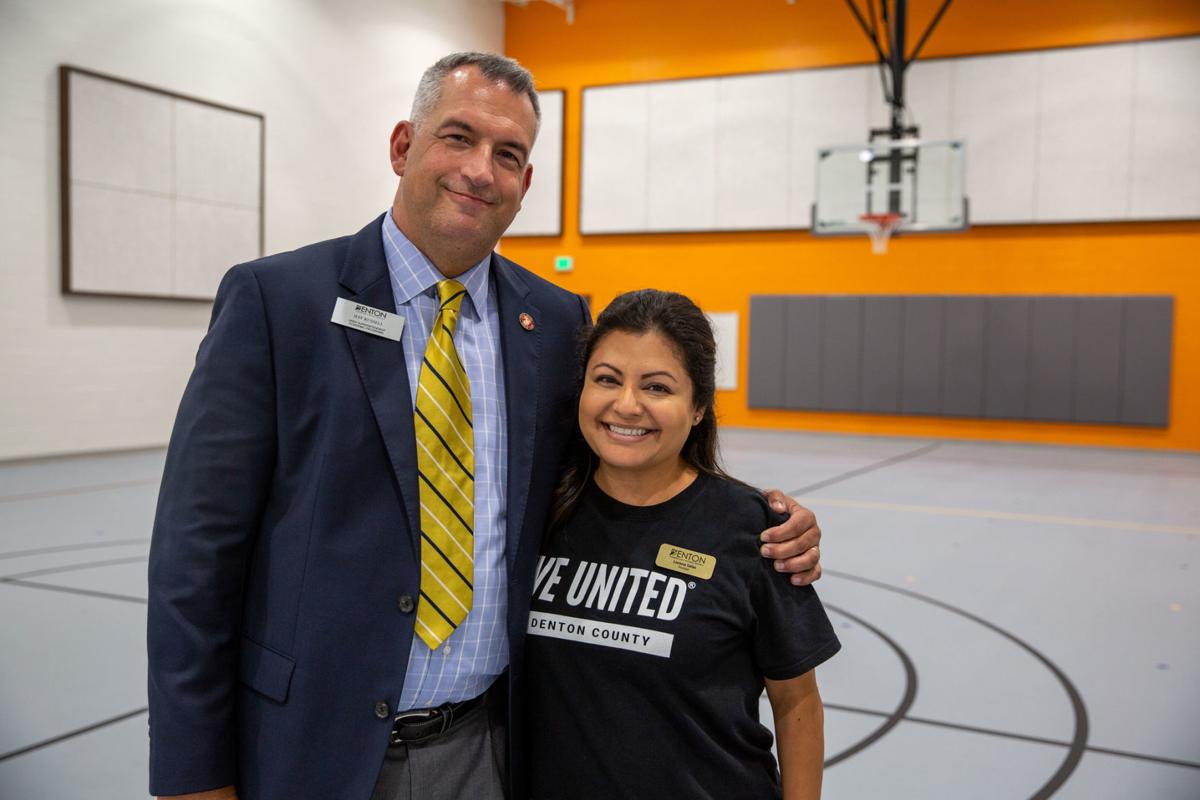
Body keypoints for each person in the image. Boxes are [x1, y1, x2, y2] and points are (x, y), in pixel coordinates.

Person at [147, 52, 823, 800]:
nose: (480, 170)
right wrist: (193, 781)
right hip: (310, 746)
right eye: (458, 137)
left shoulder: (556, 322)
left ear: (525, 185)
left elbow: (614, 464)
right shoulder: (278, 304)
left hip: (490, 752)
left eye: (508, 155)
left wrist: (765, 523)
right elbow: (194, 564)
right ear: (404, 145)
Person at [525, 289, 840, 799]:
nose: (626, 405)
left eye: (657, 387)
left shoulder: (753, 528)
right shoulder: (538, 512)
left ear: (698, 408)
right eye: (606, 379)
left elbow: (797, 702)